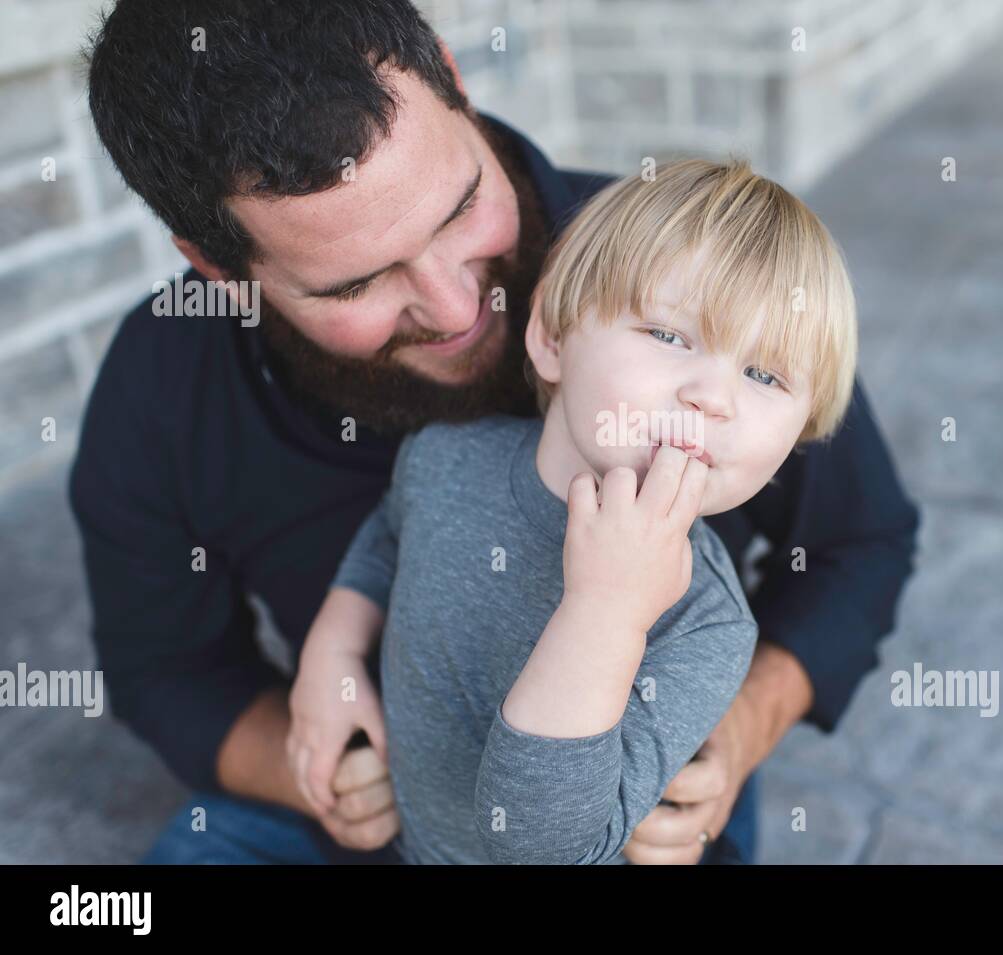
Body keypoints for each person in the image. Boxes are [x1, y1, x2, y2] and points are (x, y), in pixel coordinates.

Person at [72, 0, 921, 865]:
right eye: (354, 285)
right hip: (357, 774)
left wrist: (738, 730)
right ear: (216, 267)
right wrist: (320, 769)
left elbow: (861, 544)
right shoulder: (164, 378)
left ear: (452, 77)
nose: (456, 309)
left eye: (460, 209)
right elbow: (163, 668)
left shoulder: (683, 271)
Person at [286, 158, 859, 864]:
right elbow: (388, 538)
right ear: (552, 338)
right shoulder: (445, 454)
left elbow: (541, 846)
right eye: (669, 335)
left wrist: (606, 611)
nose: (714, 397)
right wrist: (334, 650)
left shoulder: (705, 624)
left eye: (764, 375)